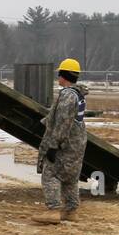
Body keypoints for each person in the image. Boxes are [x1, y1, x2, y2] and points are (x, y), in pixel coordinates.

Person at [34, 58, 88, 224]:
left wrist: (53, 145)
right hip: (77, 144)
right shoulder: (79, 95)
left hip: (65, 144)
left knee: (50, 174)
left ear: (63, 75)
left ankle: (53, 211)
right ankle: (71, 211)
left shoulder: (67, 95)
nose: (58, 78)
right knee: (70, 178)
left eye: (59, 74)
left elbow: (63, 121)